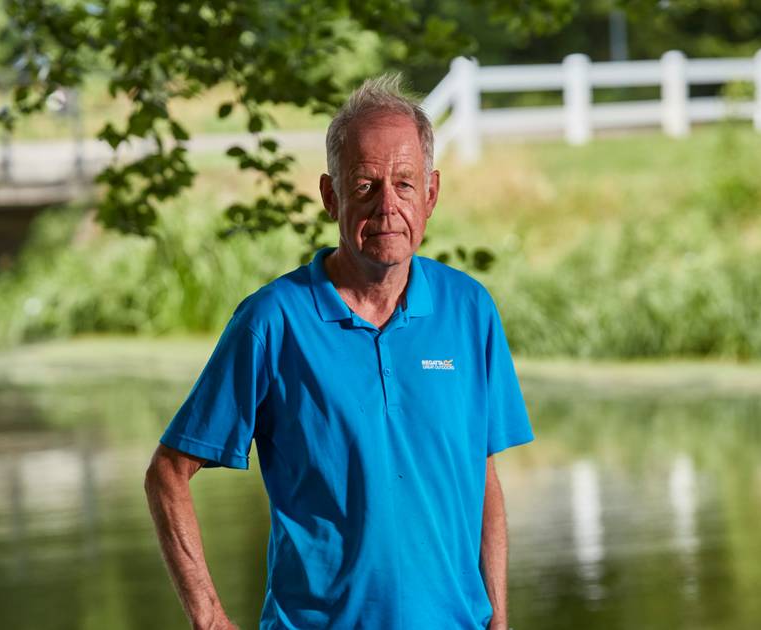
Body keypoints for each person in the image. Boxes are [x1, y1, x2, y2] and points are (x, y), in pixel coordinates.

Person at [144, 74, 534, 630]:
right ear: (331, 197)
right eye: (365, 186)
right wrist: (208, 618)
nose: (387, 206)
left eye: (404, 184)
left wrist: (499, 618)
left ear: (431, 194)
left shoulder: (469, 309)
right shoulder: (273, 321)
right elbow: (168, 472)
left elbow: (481, 474)